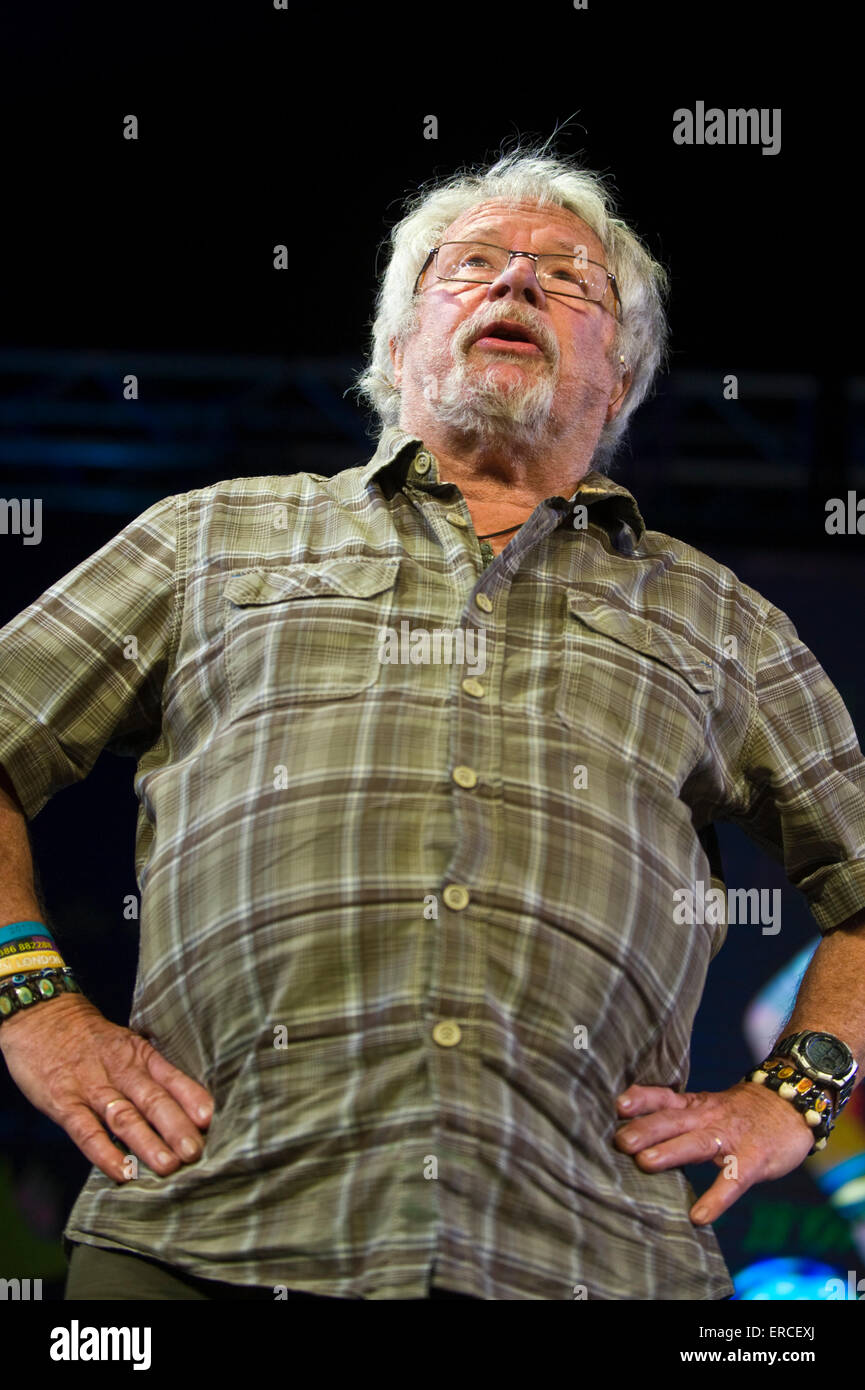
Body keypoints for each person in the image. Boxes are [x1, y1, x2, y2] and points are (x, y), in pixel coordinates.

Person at [0, 145, 863, 1302]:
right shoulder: (208, 539)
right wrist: (33, 999)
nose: (515, 285)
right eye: (472, 265)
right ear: (398, 346)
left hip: (593, 1258)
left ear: (620, 379)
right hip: (201, 1235)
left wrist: (795, 1098)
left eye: (570, 279)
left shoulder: (719, 618)